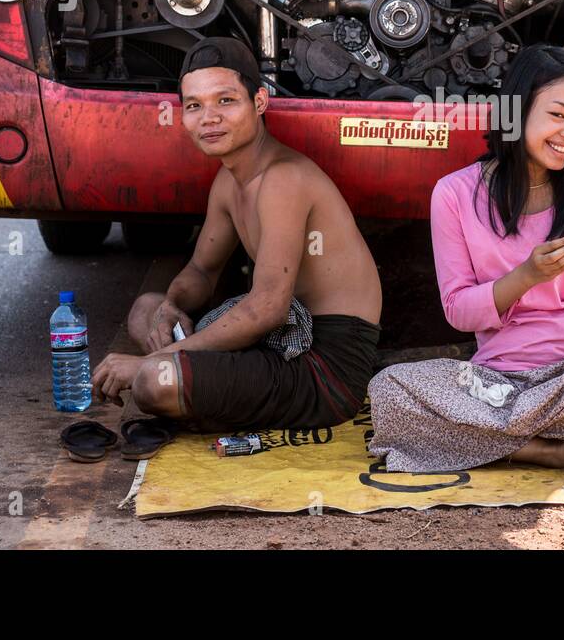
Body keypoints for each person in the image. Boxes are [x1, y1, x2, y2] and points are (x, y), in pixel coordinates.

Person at [367, 45, 564, 473]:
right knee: (388, 390)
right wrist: (526, 276)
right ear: (516, 111)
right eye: (557, 115)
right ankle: (543, 449)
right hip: (493, 385)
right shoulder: (454, 194)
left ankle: (487, 439)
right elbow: (459, 313)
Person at [90, 37, 383, 431]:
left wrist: (155, 361)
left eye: (225, 101)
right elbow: (202, 271)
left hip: (321, 367)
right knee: (147, 306)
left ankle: (180, 376)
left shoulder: (283, 179)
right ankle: (188, 369)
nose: (209, 117)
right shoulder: (229, 182)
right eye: (194, 106)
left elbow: (267, 309)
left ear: (259, 102)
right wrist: (172, 306)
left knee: (153, 384)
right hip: (277, 340)